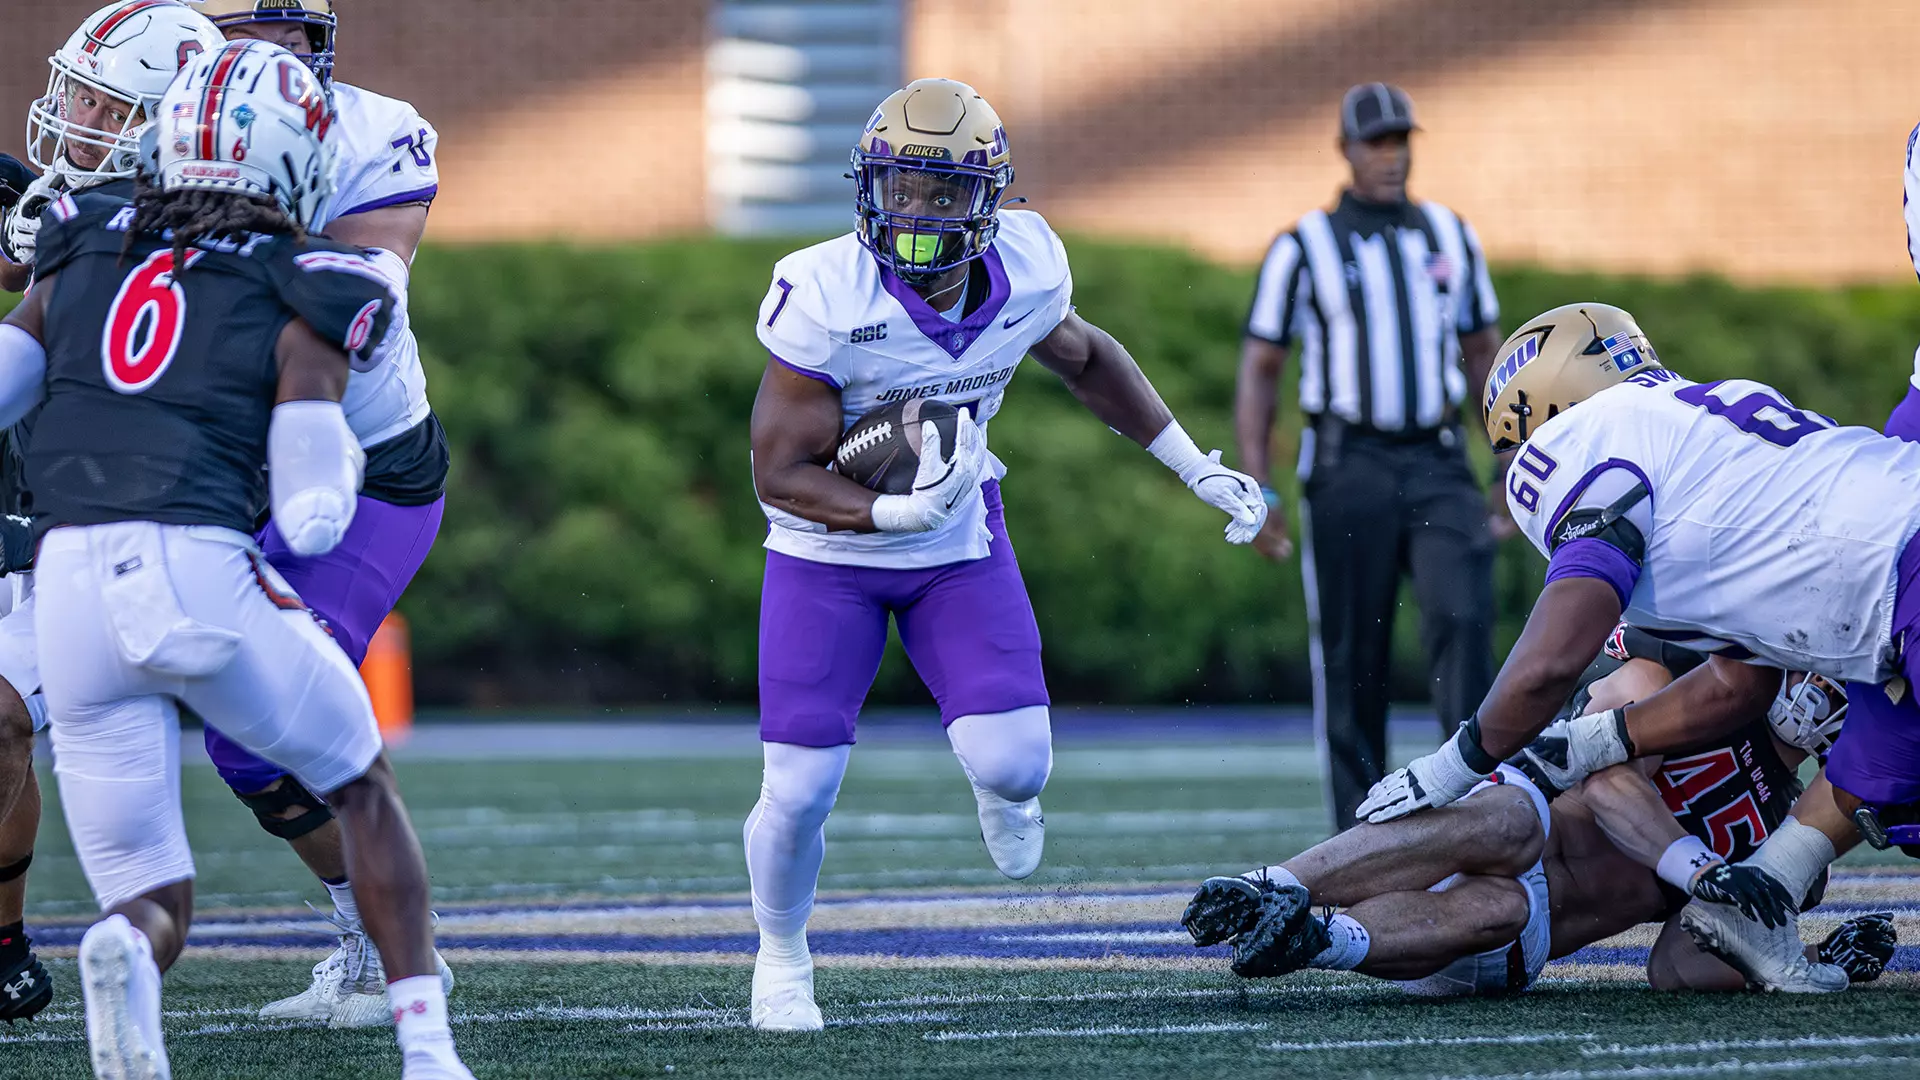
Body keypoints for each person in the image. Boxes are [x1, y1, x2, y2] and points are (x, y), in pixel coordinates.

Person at [745, 77, 1267, 1032]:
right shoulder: (823, 292)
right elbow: (778, 472)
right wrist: (891, 513)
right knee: (801, 787)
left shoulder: (1027, 268)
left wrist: (1192, 465)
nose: (913, 210)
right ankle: (781, 958)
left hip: (956, 541)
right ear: (867, 184)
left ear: (986, 198)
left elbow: (1086, 359)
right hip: (827, 553)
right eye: (898, 185)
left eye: (940, 190)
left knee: (1020, 763)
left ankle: (1004, 793)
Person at [0, 39, 474, 1079]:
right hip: (199, 569)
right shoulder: (311, 279)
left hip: (73, 590)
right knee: (361, 782)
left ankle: (129, 949)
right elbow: (310, 503)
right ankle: (429, 1045)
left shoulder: (79, 242)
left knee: (147, 886)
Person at [1354, 300, 1920, 992]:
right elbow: (1704, 700)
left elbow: (1588, 662)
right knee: (1494, 844)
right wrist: (1704, 870)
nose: (1821, 692)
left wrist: (1461, 761)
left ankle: (1305, 916)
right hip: (1888, 557)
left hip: (1889, 575)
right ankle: (1291, 901)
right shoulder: (1693, 435)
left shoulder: (1601, 443)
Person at [176, 0, 454, 1026]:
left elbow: (356, 304)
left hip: (357, 464)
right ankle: (367, 937)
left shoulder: (374, 131)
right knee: (224, 738)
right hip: (205, 468)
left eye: (298, 35)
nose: (283, 56)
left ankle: (397, 953)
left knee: (275, 721)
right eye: (255, 36)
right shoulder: (158, 120)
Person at [1182, 628, 1890, 994]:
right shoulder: (1676, 683)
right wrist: (1699, 867)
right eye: (1816, 670)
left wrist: (1801, 957)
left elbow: (1677, 967)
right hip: (1501, 827)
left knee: (1506, 908)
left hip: (1512, 939)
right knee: (1514, 821)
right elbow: (1603, 787)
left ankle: (1312, 940)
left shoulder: (1794, 835)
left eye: (1838, 686)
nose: (1816, 691)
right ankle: (1268, 886)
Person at [0, 0, 226, 1025]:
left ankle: (397, 970)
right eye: (76, 94)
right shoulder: (61, 206)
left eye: (100, 104)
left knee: (305, 773)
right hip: (62, 524)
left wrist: (57, 257)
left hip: (154, 539)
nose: (72, 116)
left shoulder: (212, 235)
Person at [1234, 82, 1505, 830]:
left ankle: (1475, 810)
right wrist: (1257, 482)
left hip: (1439, 459)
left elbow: (1483, 350)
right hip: (1347, 462)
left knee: (1464, 618)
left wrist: (1508, 461)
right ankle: (1360, 838)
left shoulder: (1451, 235)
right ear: (1346, 150)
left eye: (1401, 141)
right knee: (1353, 652)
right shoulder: (1303, 247)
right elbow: (1262, 366)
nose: (1392, 157)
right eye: (1376, 143)